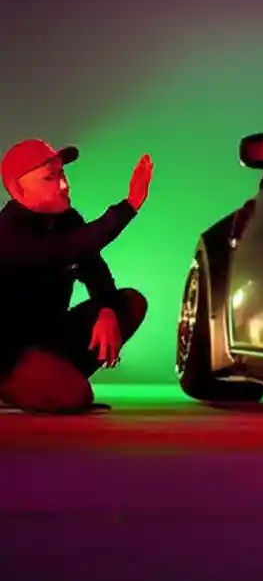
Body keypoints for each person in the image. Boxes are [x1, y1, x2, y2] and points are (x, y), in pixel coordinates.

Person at [0, 139, 152, 414]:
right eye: (49, 178)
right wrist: (128, 206)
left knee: (129, 303)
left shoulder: (68, 220)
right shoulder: (8, 231)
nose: (63, 185)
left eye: (62, 174)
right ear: (19, 189)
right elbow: (67, 248)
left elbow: (96, 271)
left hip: (50, 338)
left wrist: (106, 310)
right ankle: (16, 387)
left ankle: (53, 377)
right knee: (74, 397)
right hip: (10, 355)